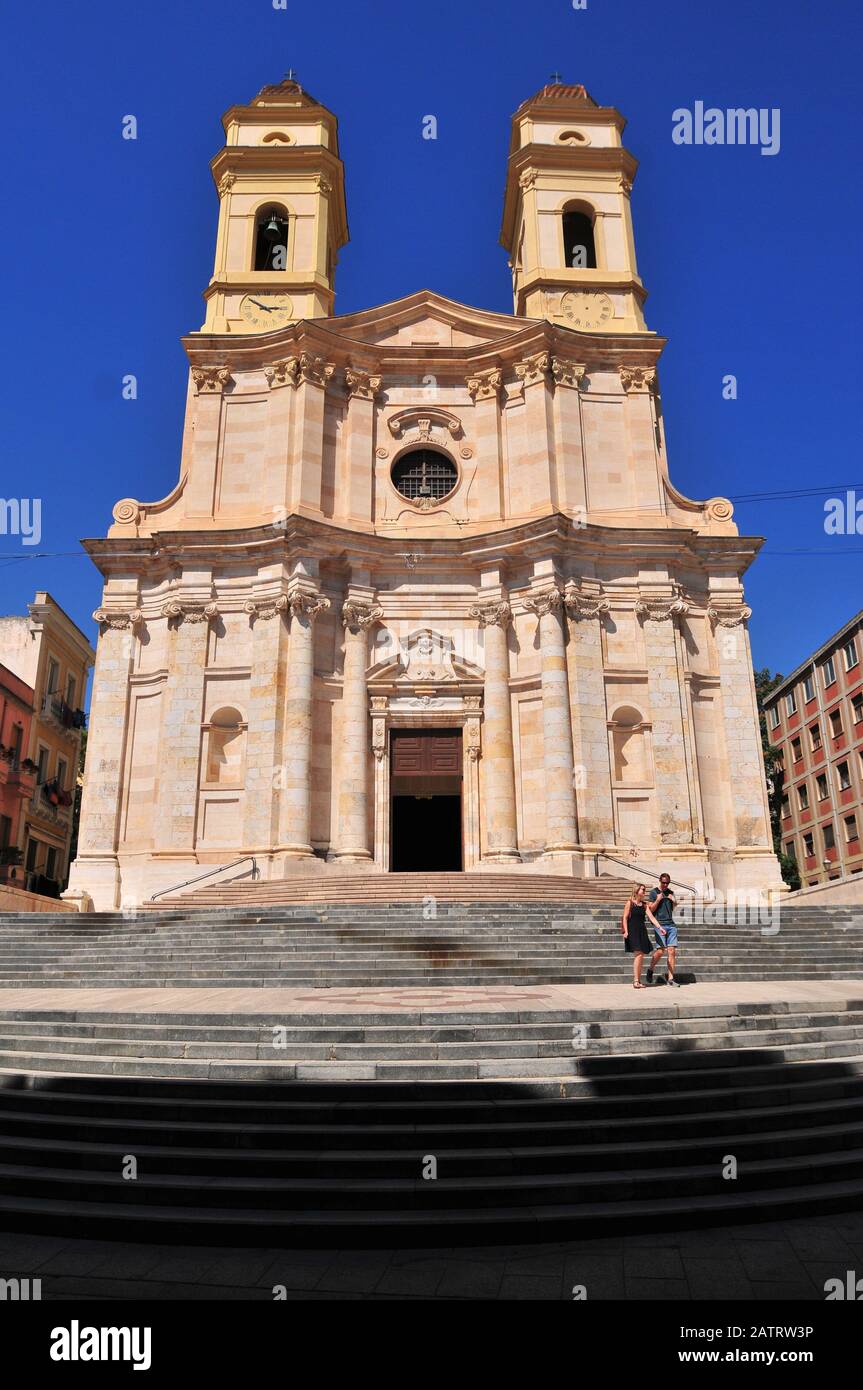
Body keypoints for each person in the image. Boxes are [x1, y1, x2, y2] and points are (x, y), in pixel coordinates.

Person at [646, 872, 680, 987]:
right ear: (660, 881)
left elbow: (674, 907)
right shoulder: (654, 892)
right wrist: (658, 900)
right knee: (661, 950)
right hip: (659, 924)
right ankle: (651, 969)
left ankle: (671, 979)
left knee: (672, 951)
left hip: (671, 924)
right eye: (663, 882)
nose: (665, 885)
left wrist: (674, 901)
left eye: (667, 883)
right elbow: (650, 909)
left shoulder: (671, 893)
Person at [621, 884, 653, 989]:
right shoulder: (629, 903)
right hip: (632, 931)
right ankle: (636, 981)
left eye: (645, 890)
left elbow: (651, 917)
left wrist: (660, 927)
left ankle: (638, 980)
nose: (644, 891)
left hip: (642, 931)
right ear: (636, 891)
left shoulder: (644, 905)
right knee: (638, 954)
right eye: (643, 889)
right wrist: (625, 931)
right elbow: (625, 918)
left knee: (641, 956)